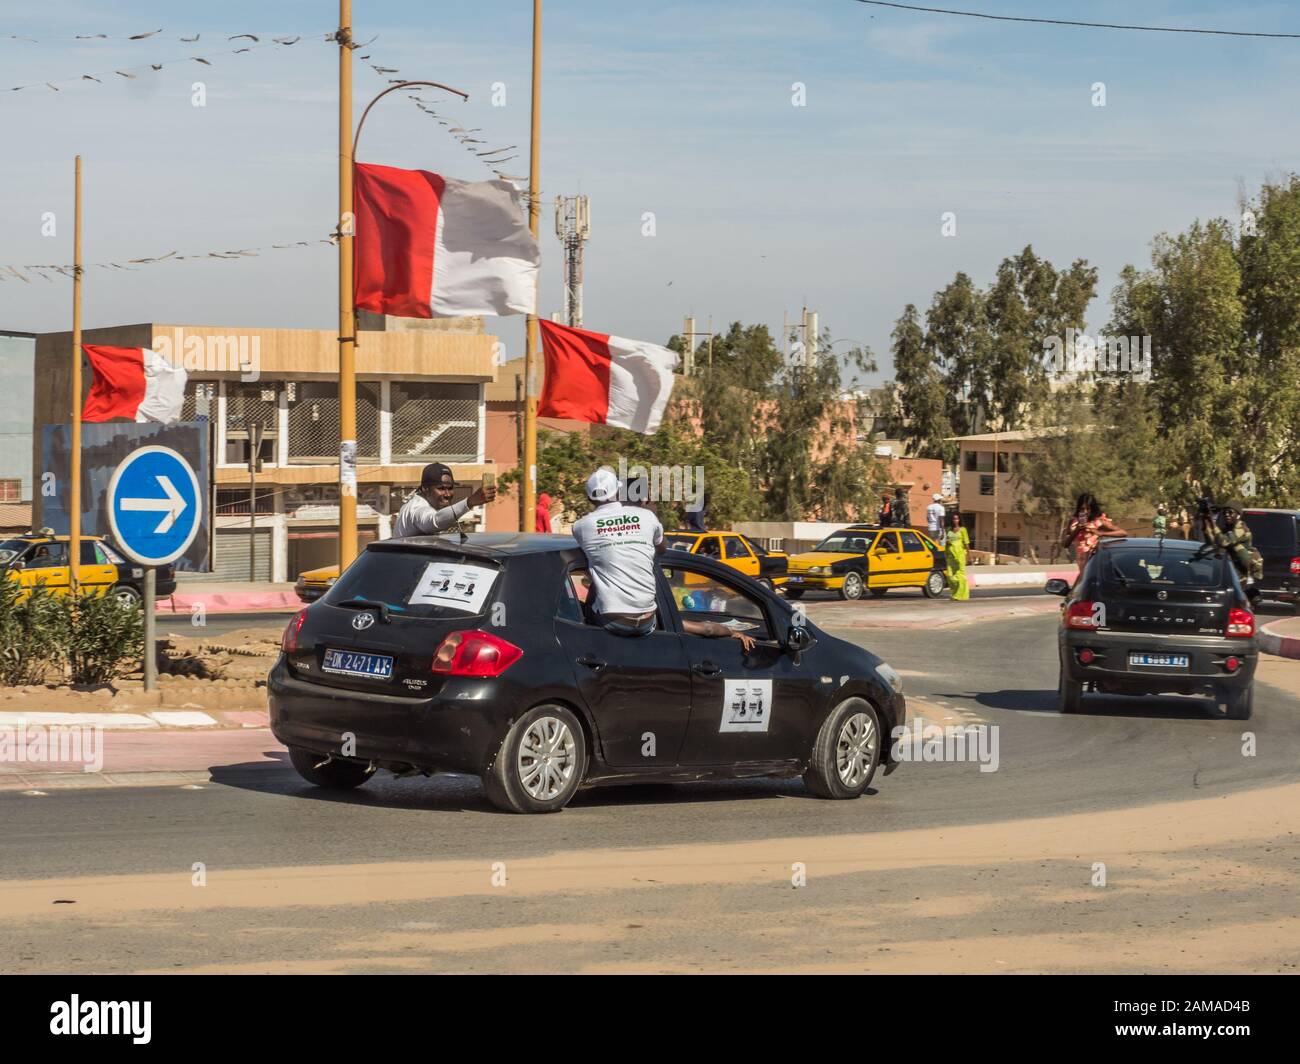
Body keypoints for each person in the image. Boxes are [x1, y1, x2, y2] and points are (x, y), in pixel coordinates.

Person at [571, 468, 664, 635]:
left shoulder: (581, 526)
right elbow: (662, 548)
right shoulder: (647, 516)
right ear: (618, 491)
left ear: (589, 498)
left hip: (612, 622)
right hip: (648, 621)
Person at [392, 462, 497, 538]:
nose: (447, 494)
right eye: (441, 488)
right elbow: (435, 520)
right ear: (425, 489)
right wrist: (470, 502)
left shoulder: (423, 504)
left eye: (450, 488)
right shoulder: (417, 508)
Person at [1201, 499, 1263, 601]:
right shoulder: (1227, 529)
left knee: (1238, 601)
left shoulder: (1241, 527)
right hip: (1229, 568)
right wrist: (1206, 520)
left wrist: (1213, 524)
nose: (1227, 515)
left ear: (1238, 515)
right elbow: (1212, 541)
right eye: (1225, 512)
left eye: (1230, 512)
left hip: (1240, 572)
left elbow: (1224, 542)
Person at [1061, 493, 1126, 574]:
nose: (1085, 512)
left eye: (1088, 509)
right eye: (1082, 509)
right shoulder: (1073, 522)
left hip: (1094, 563)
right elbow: (1065, 544)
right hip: (1081, 564)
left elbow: (1123, 533)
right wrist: (1076, 530)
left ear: (1092, 509)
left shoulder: (1098, 522)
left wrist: (1100, 533)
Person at [945, 511, 970, 601]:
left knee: (960, 575)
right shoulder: (948, 530)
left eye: (957, 518)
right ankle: (955, 593)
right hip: (950, 555)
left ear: (959, 520)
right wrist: (947, 544)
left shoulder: (963, 530)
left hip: (960, 555)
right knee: (950, 576)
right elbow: (946, 542)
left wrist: (969, 555)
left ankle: (960, 595)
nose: (955, 520)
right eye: (954, 519)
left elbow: (966, 543)